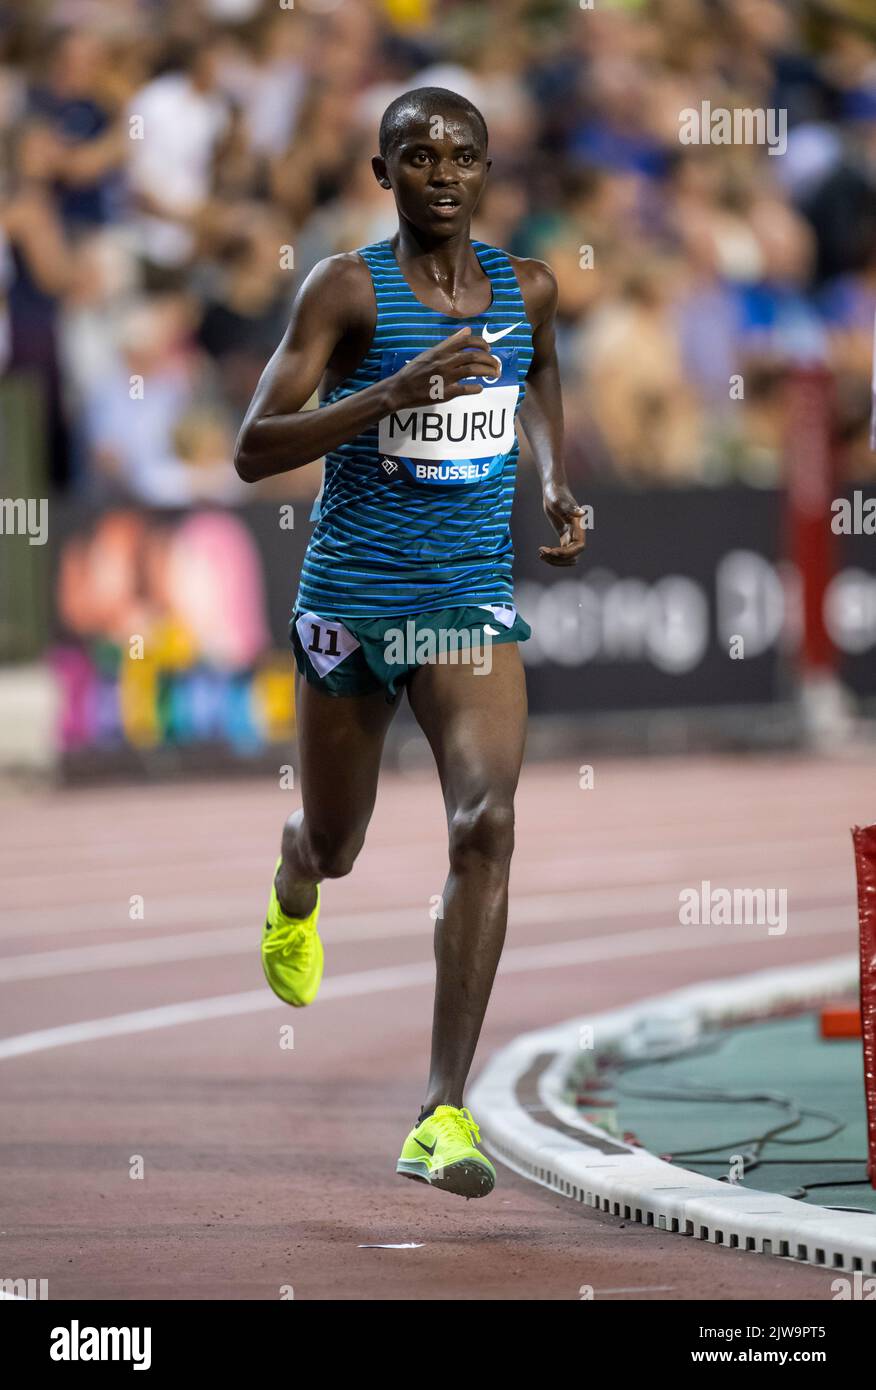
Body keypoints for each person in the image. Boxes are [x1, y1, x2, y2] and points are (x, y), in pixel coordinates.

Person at [234, 87, 586, 1200]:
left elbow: (539, 378)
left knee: (487, 823)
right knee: (338, 841)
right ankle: (297, 878)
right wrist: (391, 391)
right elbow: (253, 448)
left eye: (464, 155)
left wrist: (556, 481)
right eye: (418, 155)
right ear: (383, 174)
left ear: (488, 172)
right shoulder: (346, 288)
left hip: (465, 607)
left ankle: (440, 1111)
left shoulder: (527, 287)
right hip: (351, 604)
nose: (443, 171)